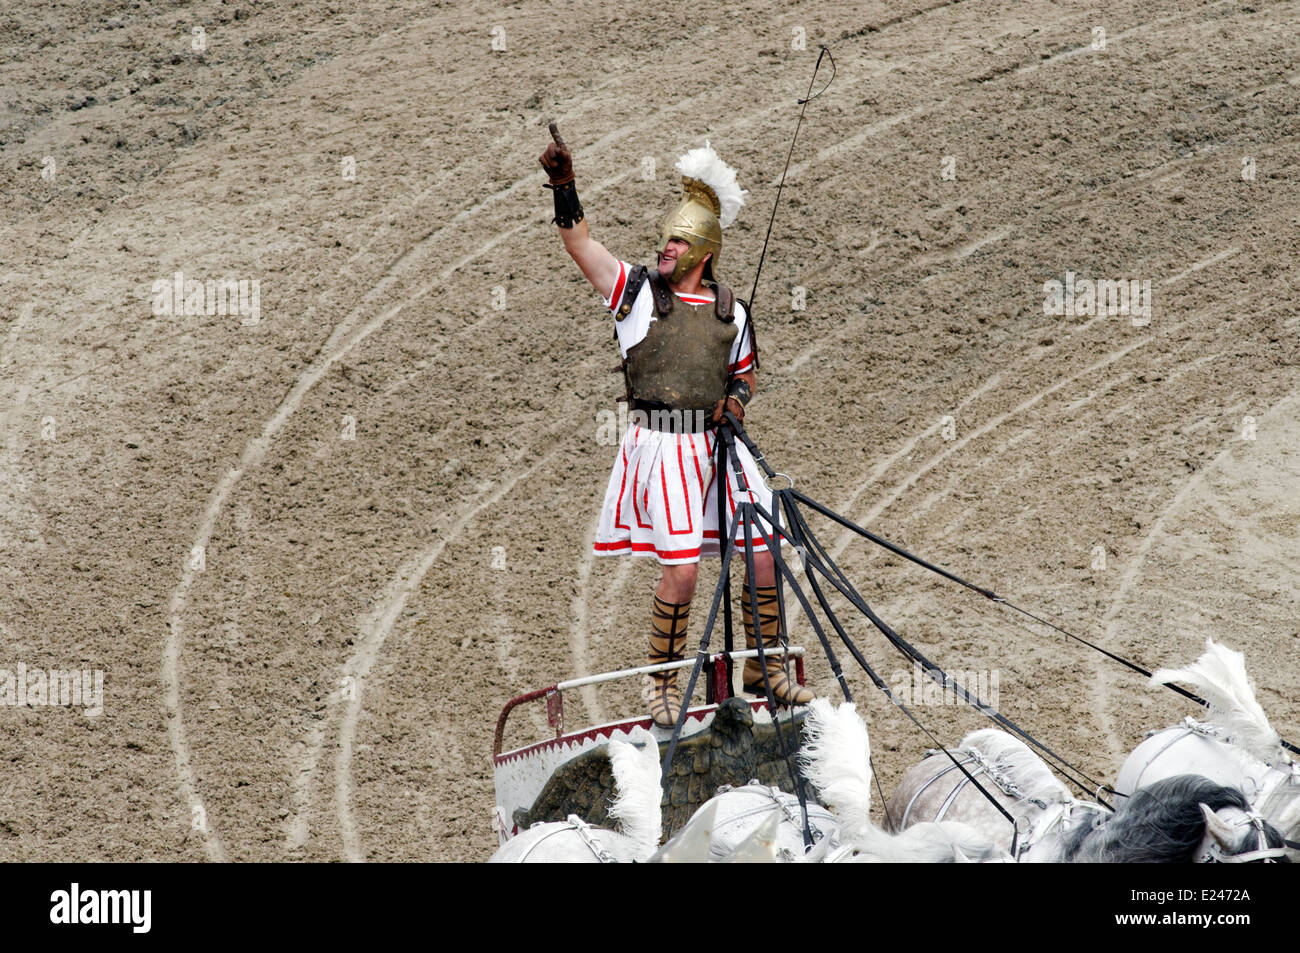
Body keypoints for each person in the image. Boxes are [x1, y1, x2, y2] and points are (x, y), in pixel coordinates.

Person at [539, 124, 813, 727]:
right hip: (662, 445)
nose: (666, 249)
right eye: (665, 240)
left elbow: (744, 373)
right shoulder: (636, 293)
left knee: (766, 551)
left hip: (718, 443)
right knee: (683, 568)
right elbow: (581, 245)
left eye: (678, 242)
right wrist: (565, 184)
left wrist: (736, 404)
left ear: (704, 252)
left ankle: (763, 666)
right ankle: (661, 682)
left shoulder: (730, 309)